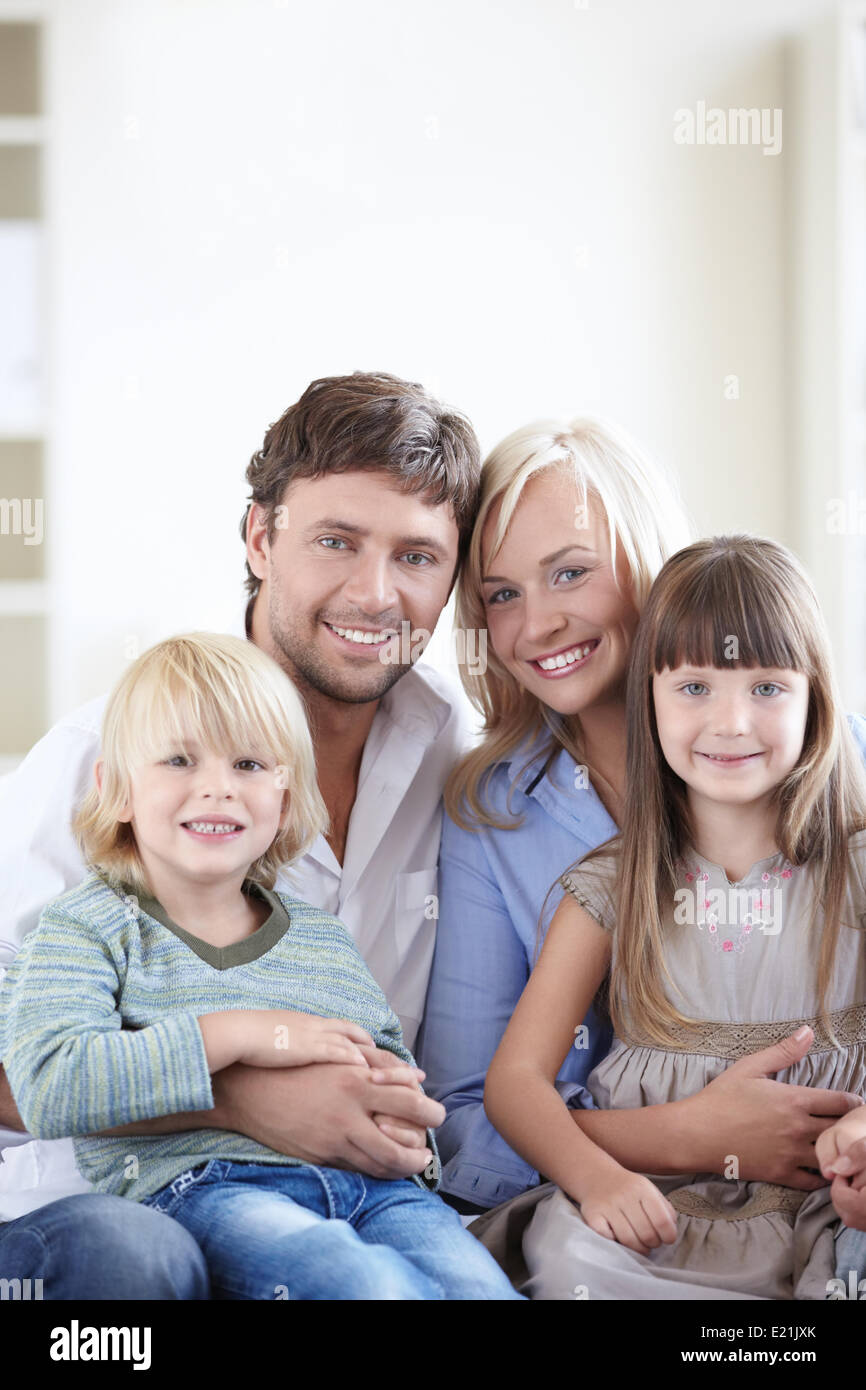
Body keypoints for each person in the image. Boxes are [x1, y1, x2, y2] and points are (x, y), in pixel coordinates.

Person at [0, 371, 480, 1297]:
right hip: (116, 1210)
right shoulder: (105, 758)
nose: (375, 594)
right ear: (261, 537)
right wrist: (245, 1098)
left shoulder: (460, 761)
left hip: (363, 1195)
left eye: (418, 557)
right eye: (336, 541)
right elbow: (22, 1061)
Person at [416, 417, 866, 1292]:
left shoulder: (838, 779)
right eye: (501, 594)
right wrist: (688, 1137)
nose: (537, 623)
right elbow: (474, 1112)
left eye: (571, 573)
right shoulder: (500, 820)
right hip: (640, 1215)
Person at [0, 633, 522, 1301]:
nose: (216, 788)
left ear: (285, 798)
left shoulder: (319, 938)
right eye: (180, 760)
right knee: (366, 1284)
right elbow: (51, 1084)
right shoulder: (86, 929)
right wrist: (239, 1034)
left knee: (481, 1289)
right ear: (118, 789)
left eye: (249, 764)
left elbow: (387, 1066)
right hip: (208, 1189)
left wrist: (401, 1126)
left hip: (382, 1195)